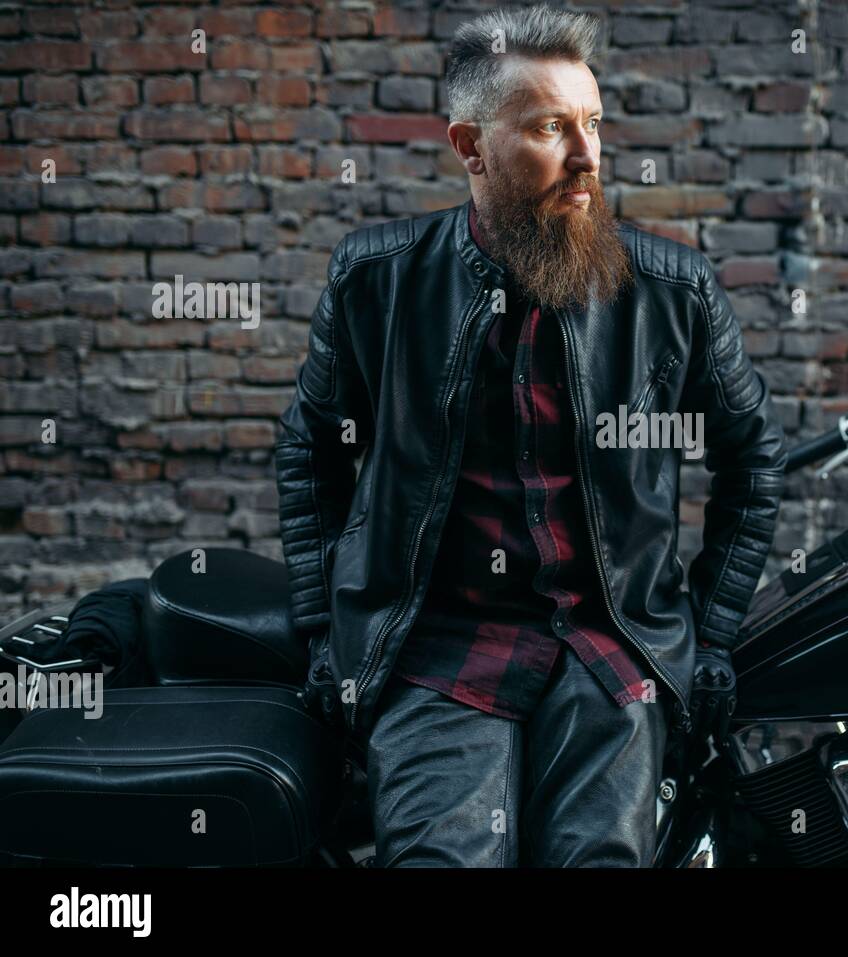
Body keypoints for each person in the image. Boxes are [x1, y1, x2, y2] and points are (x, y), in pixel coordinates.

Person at [274, 6, 787, 867]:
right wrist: (325, 631)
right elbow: (310, 451)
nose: (587, 156)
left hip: (610, 647)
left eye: (592, 124)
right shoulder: (375, 281)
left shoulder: (675, 293)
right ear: (469, 146)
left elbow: (753, 456)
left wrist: (713, 633)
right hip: (439, 650)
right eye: (552, 128)